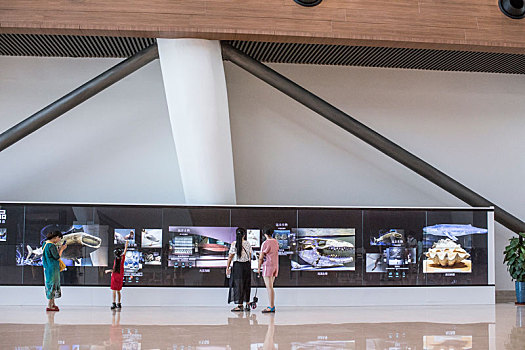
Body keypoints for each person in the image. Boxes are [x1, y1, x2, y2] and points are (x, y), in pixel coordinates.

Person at [226, 227, 252, 312]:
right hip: (247, 265)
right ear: (244, 235)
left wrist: (228, 267)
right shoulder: (247, 243)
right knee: (247, 284)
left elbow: (230, 256)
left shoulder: (234, 244)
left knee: (239, 285)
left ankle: (240, 305)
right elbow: (250, 255)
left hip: (238, 266)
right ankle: (247, 304)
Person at [42, 230, 67, 312]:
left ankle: (53, 304)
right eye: (59, 238)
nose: (59, 240)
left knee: (50, 284)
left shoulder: (45, 243)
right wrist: (62, 249)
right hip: (52, 268)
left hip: (48, 267)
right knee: (52, 285)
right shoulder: (51, 245)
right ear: (56, 237)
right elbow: (56, 257)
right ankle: (49, 305)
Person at [258, 226, 279, 313]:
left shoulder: (265, 243)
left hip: (268, 266)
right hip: (275, 266)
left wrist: (259, 268)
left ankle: (271, 306)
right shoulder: (276, 242)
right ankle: (271, 305)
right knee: (271, 287)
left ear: (265, 234)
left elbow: (261, 257)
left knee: (269, 287)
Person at [105, 240, 128, 309]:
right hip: (120, 276)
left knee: (114, 291)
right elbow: (125, 251)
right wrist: (126, 245)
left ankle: (114, 303)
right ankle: (119, 303)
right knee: (118, 291)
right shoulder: (122, 258)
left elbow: (114, 270)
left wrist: (108, 271)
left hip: (115, 276)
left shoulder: (117, 260)